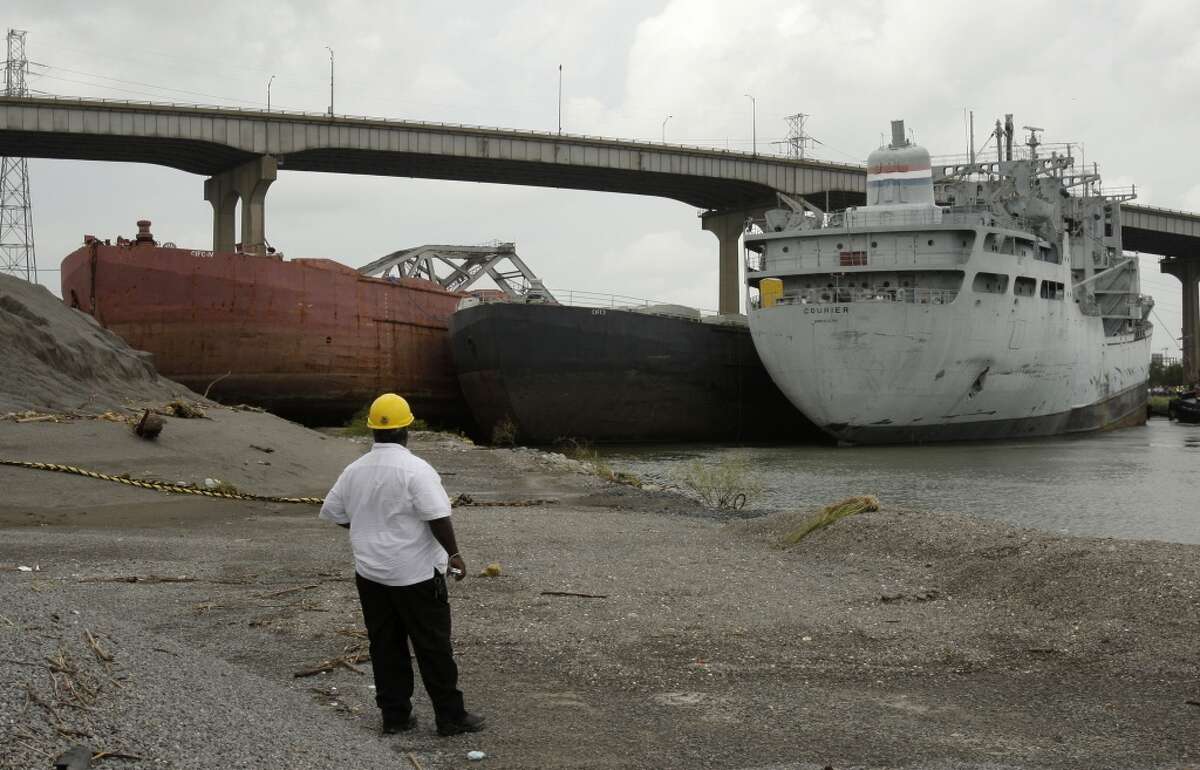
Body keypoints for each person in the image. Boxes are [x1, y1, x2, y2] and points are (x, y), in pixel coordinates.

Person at [320, 393, 485, 737]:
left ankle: (395, 717)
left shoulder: (354, 471)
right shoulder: (416, 469)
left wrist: (366, 529)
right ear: (407, 427)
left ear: (372, 431)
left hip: (371, 575)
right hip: (416, 575)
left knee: (385, 646)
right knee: (433, 646)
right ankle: (450, 717)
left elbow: (333, 511)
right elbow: (437, 516)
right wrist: (454, 554)